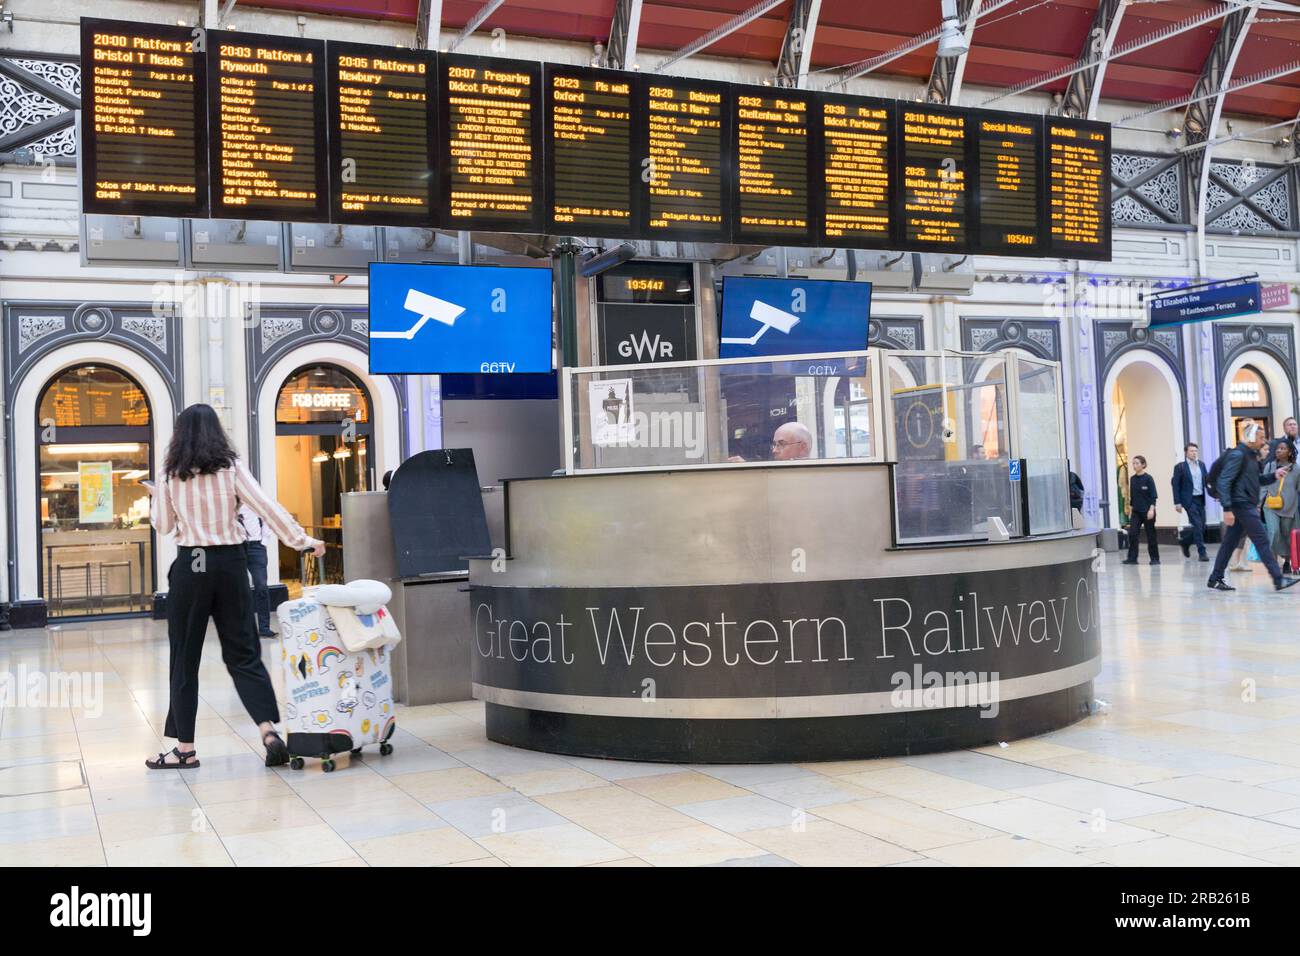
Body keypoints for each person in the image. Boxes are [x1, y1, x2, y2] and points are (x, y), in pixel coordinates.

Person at [145, 404, 325, 769]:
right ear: (217, 432)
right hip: (230, 563)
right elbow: (266, 506)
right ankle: (268, 730)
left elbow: (162, 526)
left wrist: (155, 497)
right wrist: (302, 540)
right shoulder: (230, 468)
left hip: (191, 563)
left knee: (185, 660)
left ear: (179, 435)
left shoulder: (169, 475)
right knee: (243, 652)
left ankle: (185, 750)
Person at [1208, 421, 1300, 592]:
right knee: (1262, 540)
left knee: (1229, 542)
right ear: (1250, 437)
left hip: (1244, 503)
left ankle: (1215, 578)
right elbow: (1224, 481)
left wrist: (1274, 475)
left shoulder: (1251, 456)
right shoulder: (1238, 455)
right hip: (1241, 504)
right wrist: (1226, 508)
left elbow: (1256, 480)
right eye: (1260, 437)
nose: (1264, 441)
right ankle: (1278, 579)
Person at [237, 503, 275, 638]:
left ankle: (264, 628)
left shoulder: (255, 503)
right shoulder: (228, 504)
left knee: (261, 586)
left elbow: (267, 520)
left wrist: (263, 542)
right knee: (238, 589)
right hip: (236, 547)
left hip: (256, 547)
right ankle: (242, 629)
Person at [1264, 441, 1300, 574]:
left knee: (1288, 537)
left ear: (1290, 452)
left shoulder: (1296, 469)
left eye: (1283, 448)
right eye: (1278, 448)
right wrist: (1257, 505)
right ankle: (1272, 564)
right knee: (1274, 532)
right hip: (1271, 506)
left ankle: (1287, 562)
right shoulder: (1269, 466)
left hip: (1290, 508)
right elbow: (1263, 485)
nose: (1278, 450)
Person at [1172, 442, 1210, 562]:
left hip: (1200, 498)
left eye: (1195, 451)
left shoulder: (1202, 465)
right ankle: (1202, 552)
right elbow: (1175, 485)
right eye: (1191, 451)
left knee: (1202, 526)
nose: (1194, 453)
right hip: (1189, 500)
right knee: (1197, 524)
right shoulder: (1180, 467)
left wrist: (1215, 493)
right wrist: (1177, 502)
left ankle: (1185, 541)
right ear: (1186, 453)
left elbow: (1207, 481)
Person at [1123, 455, 1159, 565]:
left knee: (1150, 535)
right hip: (1136, 512)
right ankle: (1132, 558)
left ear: (1143, 464)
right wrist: (1130, 509)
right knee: (1133, 533)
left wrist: (1151, 510)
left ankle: (1155, 558)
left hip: (1148, 511)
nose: (1134, 465)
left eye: (1137, 463)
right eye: (1133, 463)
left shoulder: (1148, 478)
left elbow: (1153, 496)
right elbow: (1133, 497)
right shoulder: (1132, 479)